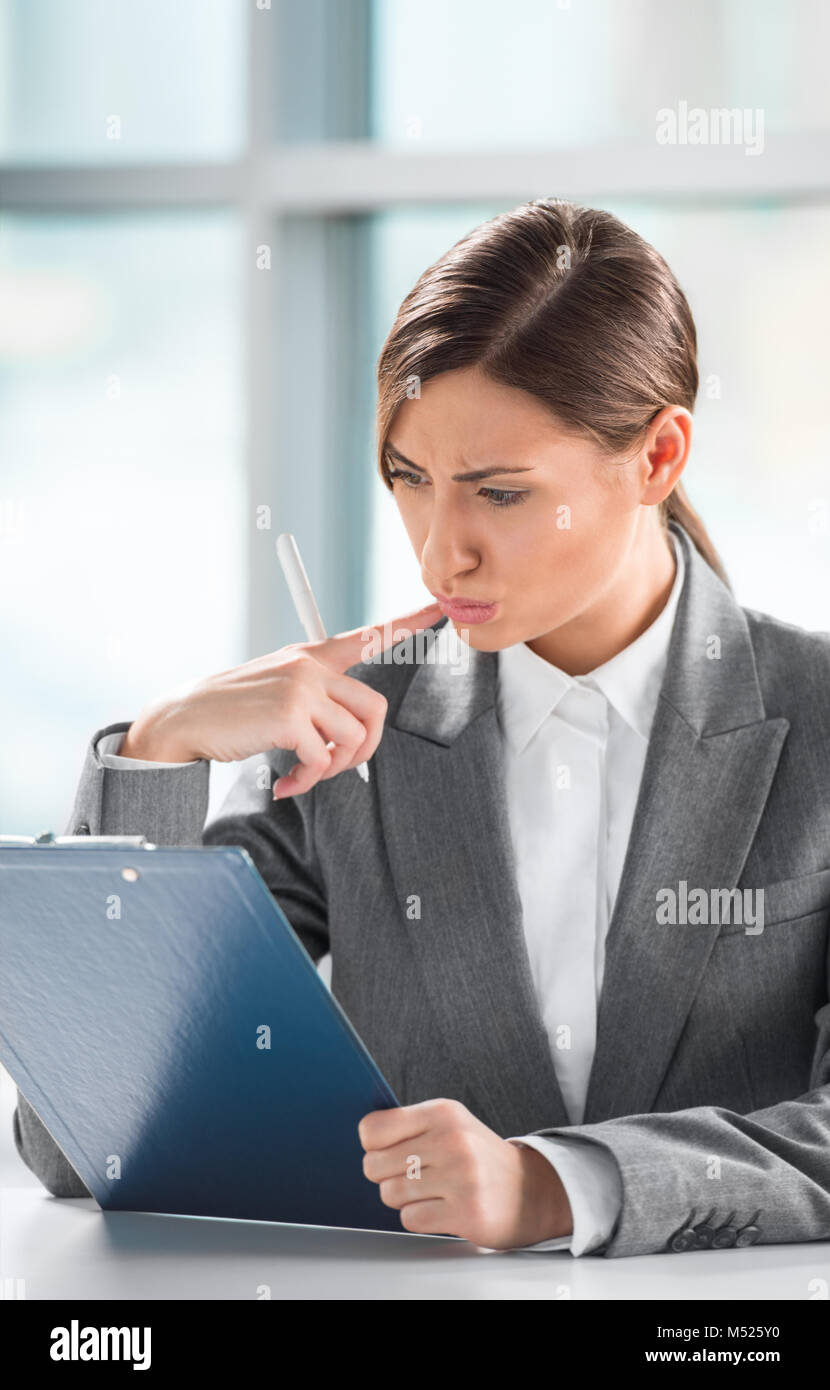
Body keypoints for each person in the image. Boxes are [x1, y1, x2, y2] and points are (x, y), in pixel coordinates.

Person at [14, 198, 830, 1258]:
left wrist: (555, 1185)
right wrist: (161, 747)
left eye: (498, 492)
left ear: (657, 455)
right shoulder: (353, 730)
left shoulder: (808, 715)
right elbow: (83, 1143)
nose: (440, 555)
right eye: (408, 479)